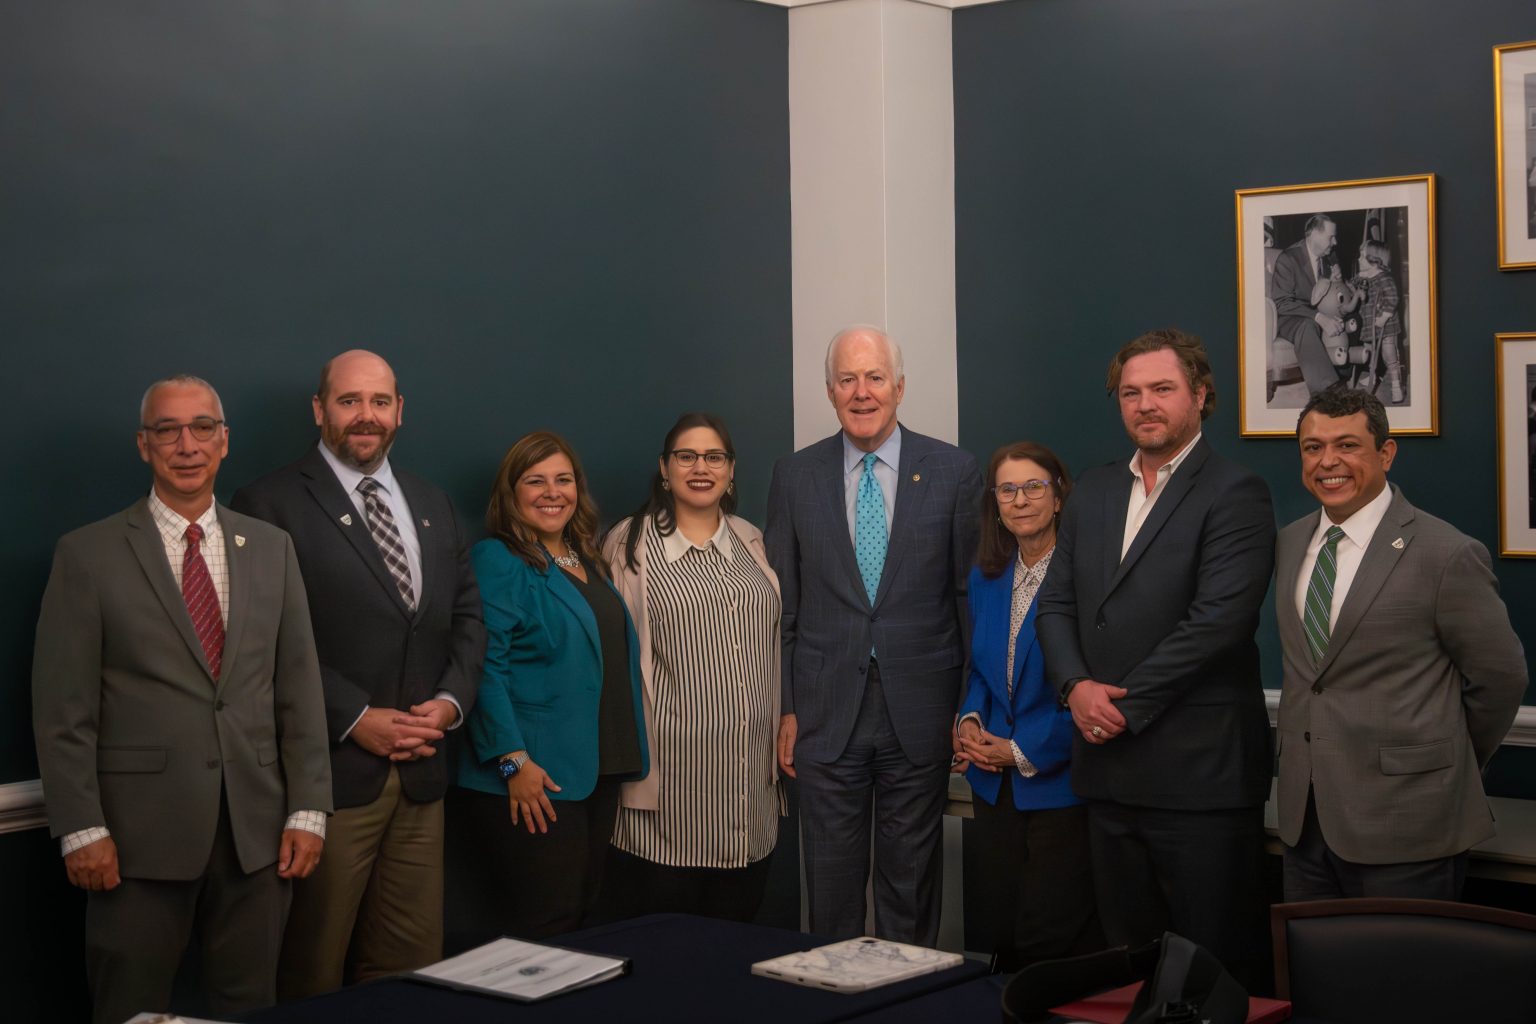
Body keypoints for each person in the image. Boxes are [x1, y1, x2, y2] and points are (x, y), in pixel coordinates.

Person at [32, 375, 331, 1024]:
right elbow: (64, 713)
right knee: (128, 1010)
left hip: (258, 837)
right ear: (145, 446)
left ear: (224, 442)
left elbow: (299, 689)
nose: (186, 444)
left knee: (249, 1007)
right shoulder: (87, 555)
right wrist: (82, 828)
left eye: (202, 428)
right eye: (167, 430)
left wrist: (308, 810)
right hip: (135, 840)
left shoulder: (271, 549)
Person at [230, 350, 485, 997]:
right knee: (310, 972)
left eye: (378, 401)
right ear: (320, 411)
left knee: (409, 972)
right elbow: (261, 640)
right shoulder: (268, 503)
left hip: (422, 776)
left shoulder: (434, 503)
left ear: (400, 411)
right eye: (348, 401)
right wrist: (353, 718)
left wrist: (451, 703)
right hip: (328, 782)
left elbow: (467, 617)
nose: (364, 416)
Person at [1035, 328, 1275, 988]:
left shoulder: (1236, 492)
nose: (1145, 404)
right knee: (1130, 968)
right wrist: (1075, 687)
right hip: (1108, 775)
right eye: (1131, 392)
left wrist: (1122, 707)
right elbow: (1055, 604)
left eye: (1162, 389)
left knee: (1211, 973)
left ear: (1199, 395)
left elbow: (1217, 625)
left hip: (1200, 780)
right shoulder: (1094, 489)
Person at [765, 325, 981, 945]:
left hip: (923, 713)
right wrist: (786, 706)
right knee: (829, 896)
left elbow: (968, 599)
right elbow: (785, 608)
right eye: (848, 379)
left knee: (909, 894)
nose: (862, 392)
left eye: (875, 378)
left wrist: (966, 705)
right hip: (823, 715)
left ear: (900, 388)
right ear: (830, 391)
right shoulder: (794, 475)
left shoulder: (954, 471)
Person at [1275, 384, 1527, 901]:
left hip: (1410, 820)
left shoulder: (1447, 554)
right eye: (1313, 447)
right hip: (1306, 821)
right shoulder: (1289, 541)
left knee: (1406, 981)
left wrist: (1448, 758)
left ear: (1385, 453)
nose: (1328, 462)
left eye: (1347, 445)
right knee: (1311, 979)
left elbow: (1501, 679)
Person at [446, 431, 649, 944]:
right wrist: (512, 760)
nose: (551, 492)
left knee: (581, 916)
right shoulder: (500, 559)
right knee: (547, 922)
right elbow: (484, 667)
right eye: (535, 481)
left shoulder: (584, 557)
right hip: (531, 777)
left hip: (592, 771)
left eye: (563, 479)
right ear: (511, 493)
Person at [599, 412, 783, 922]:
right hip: (670, 791)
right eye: (686, 456)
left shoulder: (752, 541)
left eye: (714, 457)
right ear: (664, 468)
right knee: (668, 948)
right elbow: (611, 665)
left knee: (734, 938)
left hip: (749, 790)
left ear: (730, 471)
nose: (700, 467)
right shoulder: (629, 545)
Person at [956, 441, 1100, 973]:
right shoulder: (986, 578)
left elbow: (1095, 688)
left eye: (1034, 486)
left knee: (1049, 937)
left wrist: (1017, 749)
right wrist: (970, 720)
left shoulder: (1090, 579)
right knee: (1003, 931)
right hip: (994, 790)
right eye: (1007, 490)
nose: (1020, 500)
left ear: (1059, 496)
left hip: (1059, 785)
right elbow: (981, 672)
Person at [1273, 214, 1347, 394]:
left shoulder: (1329, 257)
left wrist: (1337, 281)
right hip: (1289, 317)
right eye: (1331, 237)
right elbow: (1282, 303)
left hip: (1317, 314)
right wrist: (1319, 317)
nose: (1335, 242)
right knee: (1307, 326)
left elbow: (1333, 292)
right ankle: (1329, 393)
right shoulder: (1288, 258)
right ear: (1314, 234)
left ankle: (1345, 375)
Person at [1351, 240, 1403, 403]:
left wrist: (1384, 317)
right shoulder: (1366, 276)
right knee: (1370, 352)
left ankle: (1396, 386)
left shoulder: (1384, 279)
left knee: (1389, 355)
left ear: (1374, 261)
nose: (1359, 258)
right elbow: (1353, 284)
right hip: (1369, 325)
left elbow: (1393, 298)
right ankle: (1373, 374)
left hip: (1385, 325)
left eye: (1362, 256)